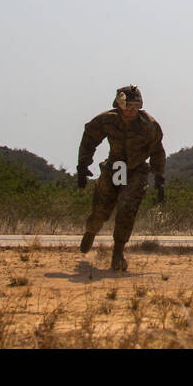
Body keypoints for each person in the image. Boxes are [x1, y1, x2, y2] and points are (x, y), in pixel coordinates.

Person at [76, 85, 166, 271]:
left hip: (137, 170)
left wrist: (159, 178)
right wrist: (83, 166)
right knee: (101, 210)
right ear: (118, 106)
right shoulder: (106, 120)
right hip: (115, 168)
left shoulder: (148, 125)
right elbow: (89, 139)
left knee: (126, 208)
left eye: (135, 106)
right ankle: (91, 231)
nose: (131, 111)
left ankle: (117, 253)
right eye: (128, 107)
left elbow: (157, 152)